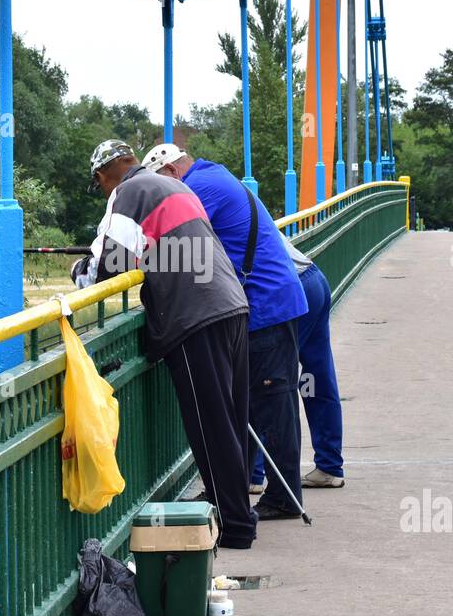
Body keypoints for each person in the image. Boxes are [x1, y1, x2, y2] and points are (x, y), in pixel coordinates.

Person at [76, 140, 258, 549]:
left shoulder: (129, 191)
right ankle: (237, 512)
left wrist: (79, 272)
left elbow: (111, 265)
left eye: (101, 184)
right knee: (230, 420)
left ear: (107, 173)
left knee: (211, 428)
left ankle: (235, 527)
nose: (105, 192)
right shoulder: (175, 187)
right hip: (231, 307)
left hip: (193, 318)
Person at [142, 144, 309, 522]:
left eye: (160, 184)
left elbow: (175, 246)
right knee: (248, 403)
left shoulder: (196, 188)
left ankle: (284, 498)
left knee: (272, 400)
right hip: (263, 302)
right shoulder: (210, 175)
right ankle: (236, 488)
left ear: (169, 171)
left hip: (265, 305)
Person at [248, 237, 346, 490]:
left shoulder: (202, 208)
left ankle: (253, 473)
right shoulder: (237, 201)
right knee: (316, 378)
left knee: (266, 380)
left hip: (287, 289)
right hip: (312, 278)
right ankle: (329, 466)